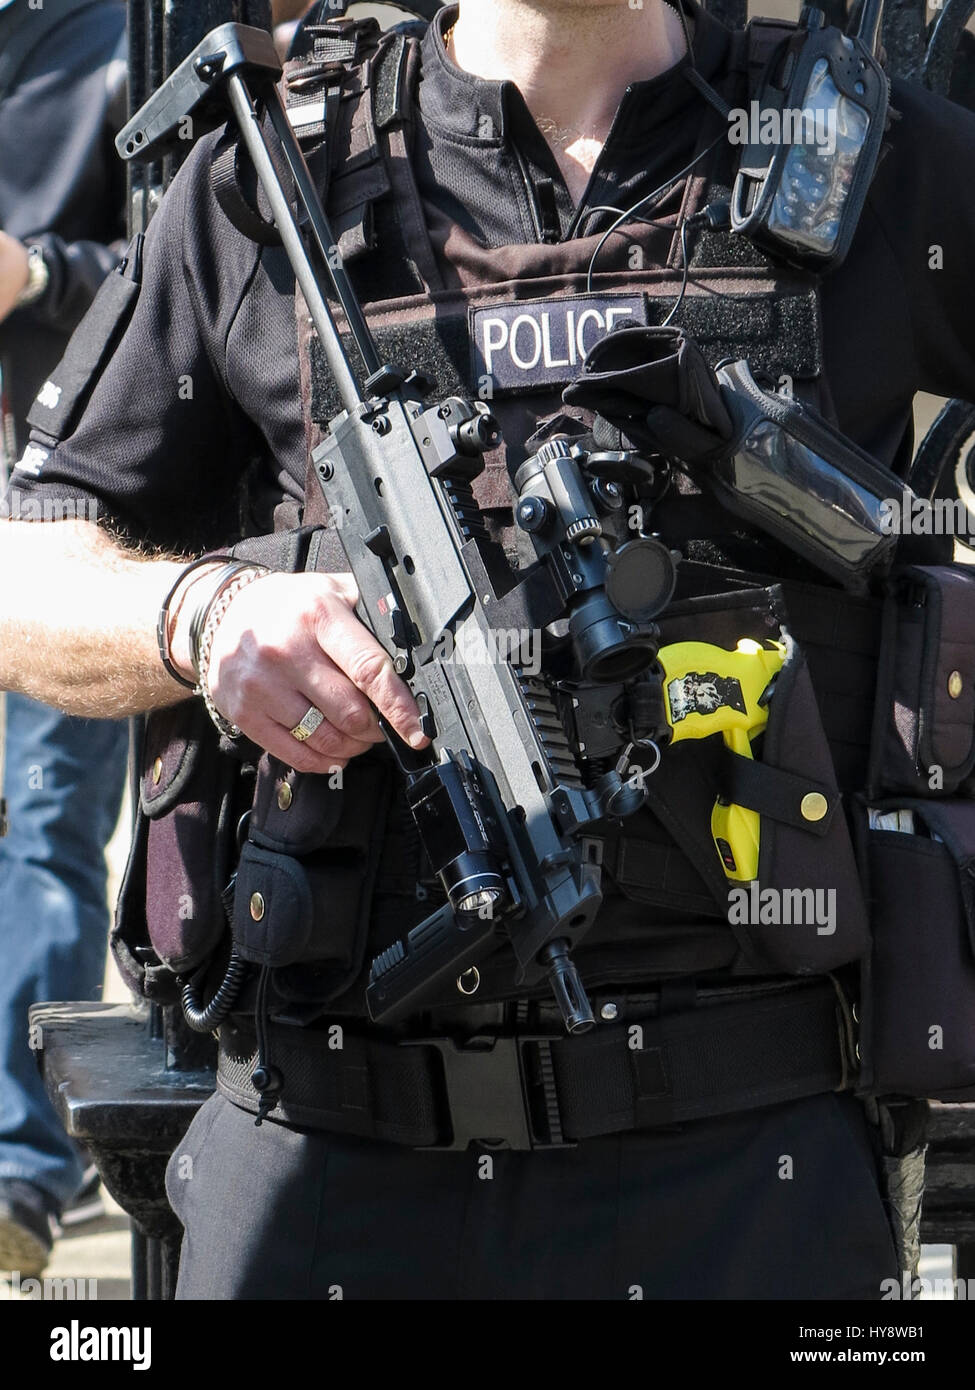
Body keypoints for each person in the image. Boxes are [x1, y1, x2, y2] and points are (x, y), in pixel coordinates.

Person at [0, 0, 971, 1298]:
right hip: (327, 1175)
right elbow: (29, 570)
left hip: (748, 1173)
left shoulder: (863, 151)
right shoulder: (270, 175)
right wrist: (207, 621)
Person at [0, 0, 129, 1277]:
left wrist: (32, 274)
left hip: (54, 492)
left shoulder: (124, 32)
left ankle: (17, 1173)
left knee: (45, 821)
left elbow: (181, 274)